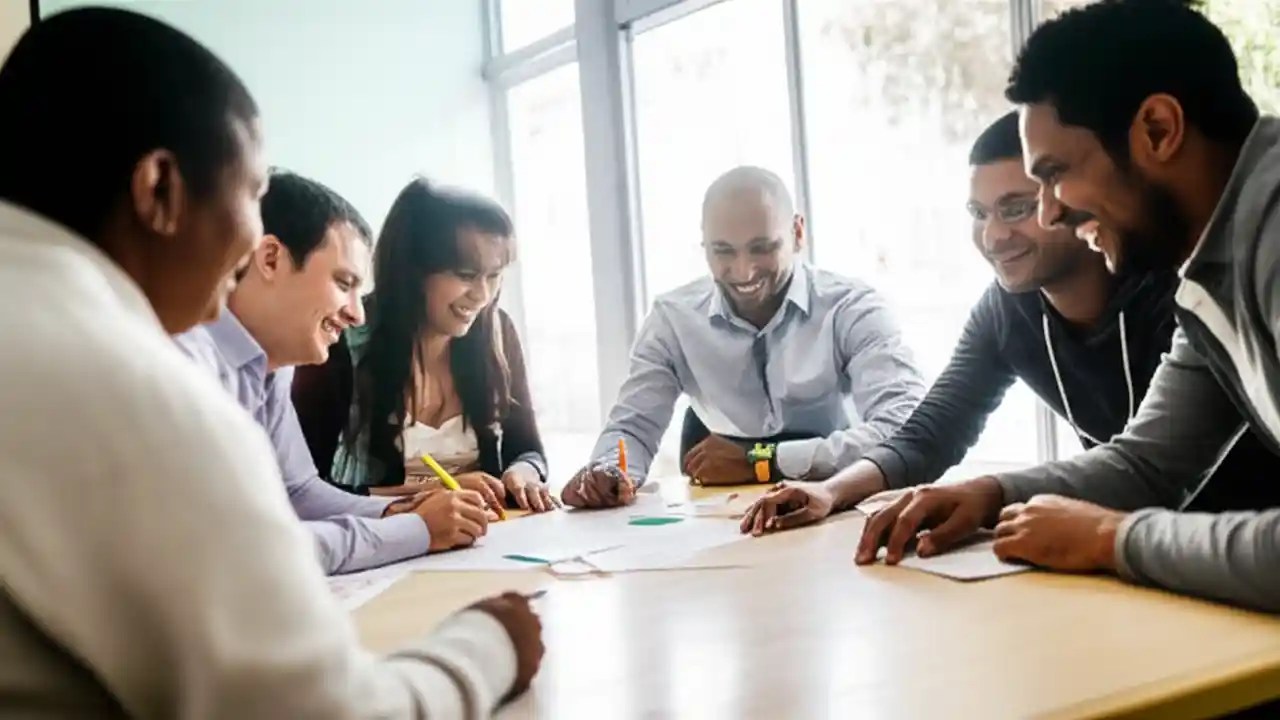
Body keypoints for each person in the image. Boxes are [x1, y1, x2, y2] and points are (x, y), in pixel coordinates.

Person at [0, 8, 541, 717]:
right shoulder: (129, 386)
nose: (256, 243)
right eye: (254, 195)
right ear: (160, 190)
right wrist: (488, 643)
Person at [856, 0, 1280, 613]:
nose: (1050, 212)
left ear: (1159, 130)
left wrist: (1111, 539)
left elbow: (1133, 503)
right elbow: (1150, 465)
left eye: (1055, 175)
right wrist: (992, 493)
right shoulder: (1208, 270)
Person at [741, 111, 1280, 536]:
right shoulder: (1006, 309)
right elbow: (931, 433)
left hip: (1243, 549)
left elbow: (1151, 468)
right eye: (979, 214)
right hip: (1144, 546)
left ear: (1064, 198)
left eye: (1016, 208)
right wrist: (831, 492)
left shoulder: (1176, 290)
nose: (994, 237)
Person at [175, 170, 491, 574]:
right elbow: (248, 549)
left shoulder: (268, 365)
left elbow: (300, 493)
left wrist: (403, 509)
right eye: (344, 283)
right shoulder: (186, 367)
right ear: (270, 259)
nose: (357, 313)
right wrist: (415, 530)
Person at [562, 165, 927, 509]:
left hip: (840, 497)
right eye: (723, 251)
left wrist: (762, 460)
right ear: (703, 244)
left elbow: (907, 426)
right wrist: (612, 470)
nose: (743, 270)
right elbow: (633, 427)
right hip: (723, 516)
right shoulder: (672, 320)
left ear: (798, 233)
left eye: (762, 248)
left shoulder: (852, 307)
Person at [292, 178, 558, 513]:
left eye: (494, 275)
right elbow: (304, 493)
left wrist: (522, 473)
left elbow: (528, 450)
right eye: (465, 274)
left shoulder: (497, 330)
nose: (483, 296)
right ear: (413, 271)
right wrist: (429, 494)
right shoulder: (341, 341)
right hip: (384, 549)